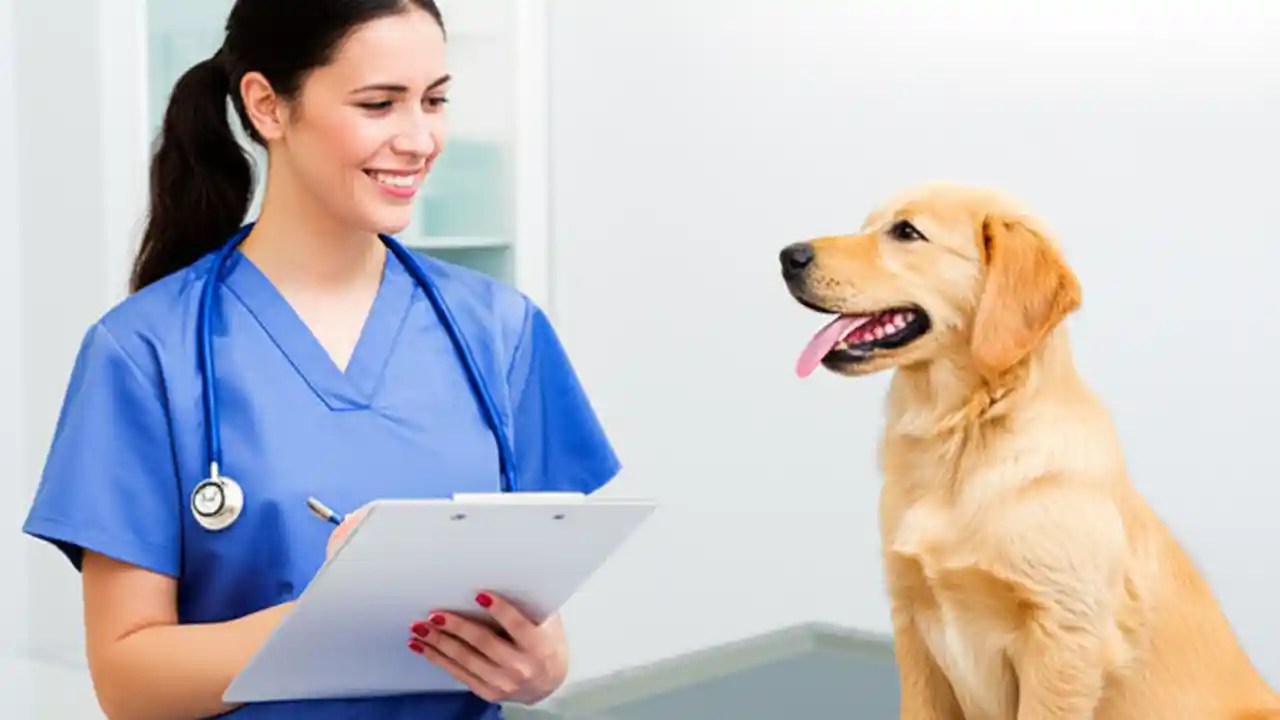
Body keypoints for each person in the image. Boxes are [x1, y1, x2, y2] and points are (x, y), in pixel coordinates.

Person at [20, 1, 620, 718]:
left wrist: (539, 667)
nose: (420, 139)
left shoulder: (500, 331)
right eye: (378, 104)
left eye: (434, 101)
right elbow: (128, 681)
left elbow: (537, 629)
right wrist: (340, 615)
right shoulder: (146, 352)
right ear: (267, 105)